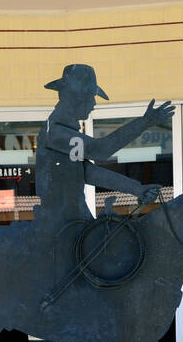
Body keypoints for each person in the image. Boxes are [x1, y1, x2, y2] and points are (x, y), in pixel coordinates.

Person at [33, 64, 174, 236]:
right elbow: (99, 150)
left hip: (71, 219)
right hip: (61, 224)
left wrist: (137, 189)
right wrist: (144, 122)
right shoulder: (56, 133)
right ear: (77, 98)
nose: (93, 104)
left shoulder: (60, 131)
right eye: (91, 97)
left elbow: (87, 172)